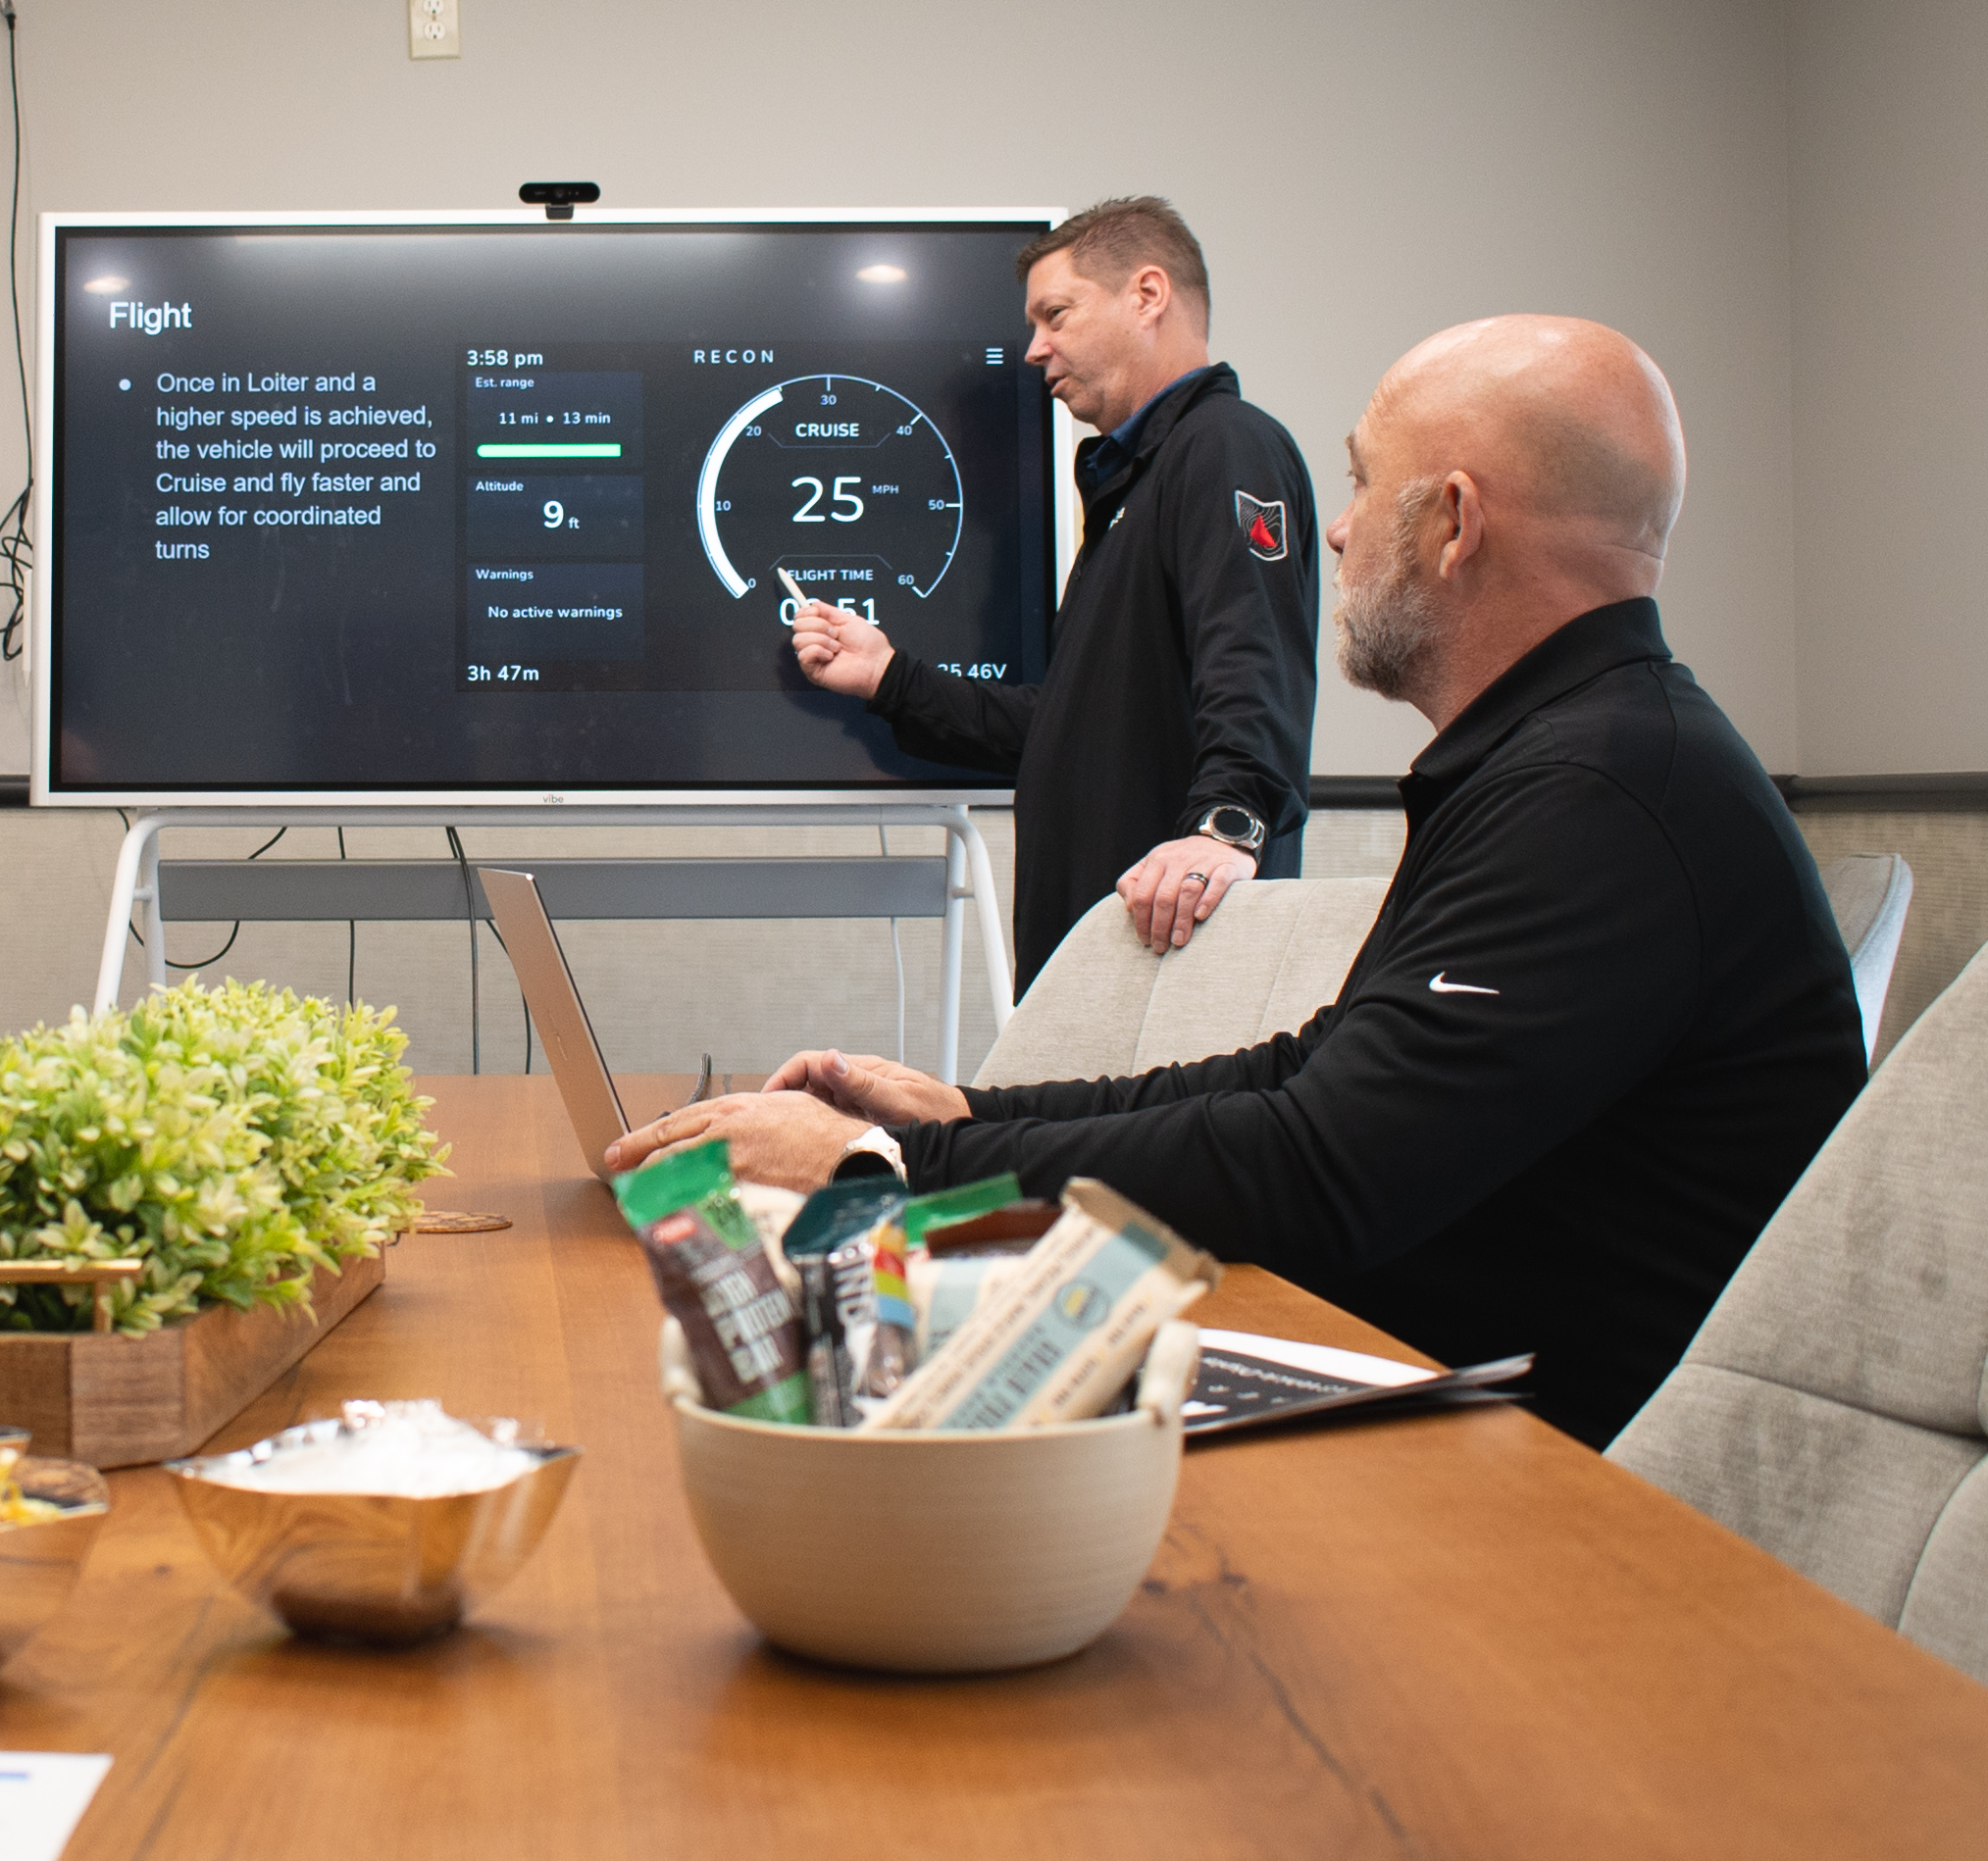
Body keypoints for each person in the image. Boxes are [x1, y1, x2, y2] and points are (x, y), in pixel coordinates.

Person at [609, 316, 1867, 1447]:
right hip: (1424, 1387)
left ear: (1452, 524)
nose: (1332, 525)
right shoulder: (1569, 754)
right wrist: (962, 1118)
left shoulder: (1604, 796)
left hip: (1533, 1481)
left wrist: (878, 1166)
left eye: (1364, 483)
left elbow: (1317, 1167)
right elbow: (1302, 1072)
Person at [792, 197, 1317, 980]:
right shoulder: (1132, 486)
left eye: (1056, 315)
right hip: (1110, 946)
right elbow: (1066, 725)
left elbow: (1254, 659)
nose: (1034, 349)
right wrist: (889, 679)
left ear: (1146, 295)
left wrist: (1222, 831)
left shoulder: (1224, 447)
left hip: (1176, 942)